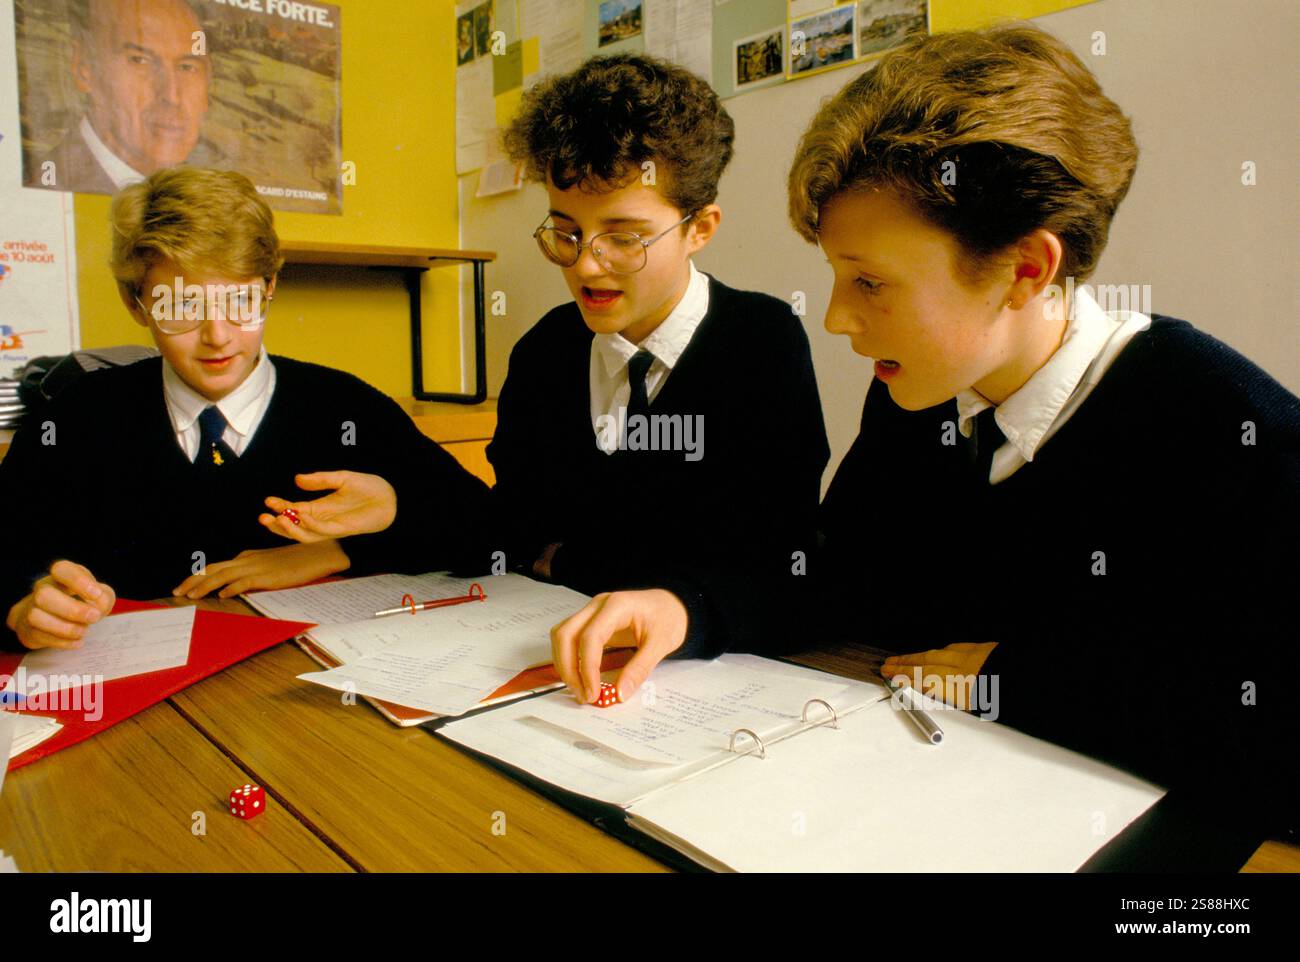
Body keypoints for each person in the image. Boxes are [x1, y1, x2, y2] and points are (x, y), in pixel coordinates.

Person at [549, 25, 1299, 837]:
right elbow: (838, 578)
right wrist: (686, 608)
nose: (836, 319)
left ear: (1025, 269)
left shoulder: (1230, 429)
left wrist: (1016, 680)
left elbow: (1264, 723)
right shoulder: (922, 399)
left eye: (871, 283)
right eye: (837, 277)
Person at [263, 54, 830, 706]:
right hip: (547, 667)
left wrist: (624, 579)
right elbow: (509, 531)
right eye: (566, 231)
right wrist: (398, 510)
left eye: (624, 237)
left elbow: (784, 569)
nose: (586, 266)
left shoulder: (762, 342)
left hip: (706, 680)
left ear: (699, 228)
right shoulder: (548, 350)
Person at [1, 166, 489, 651]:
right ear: (136, 303)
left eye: (241, 299)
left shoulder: (346, 408)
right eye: (183, 306)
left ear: (271, 286)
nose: (218, 335)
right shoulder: (76, 417)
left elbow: (489, 535)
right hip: (146, 709)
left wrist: (346, 547)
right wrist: (18, 607)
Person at [25, 0, 211, 194]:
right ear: (84, 67)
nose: (171, 96)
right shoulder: (43, 191)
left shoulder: (209, 198)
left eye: (187, 67)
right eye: (139, 60)